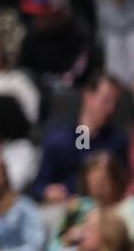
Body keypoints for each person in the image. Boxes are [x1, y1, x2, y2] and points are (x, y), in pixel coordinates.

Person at [33, 73, 126, 202]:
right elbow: (39, 185)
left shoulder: (118, 140)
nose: (110, 109)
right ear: (88, 95)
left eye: (115, 104)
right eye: (106, 101)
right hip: (64, 206)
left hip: (103, 207)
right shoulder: (59, 138)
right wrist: (47, 191)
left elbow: (123, 184)